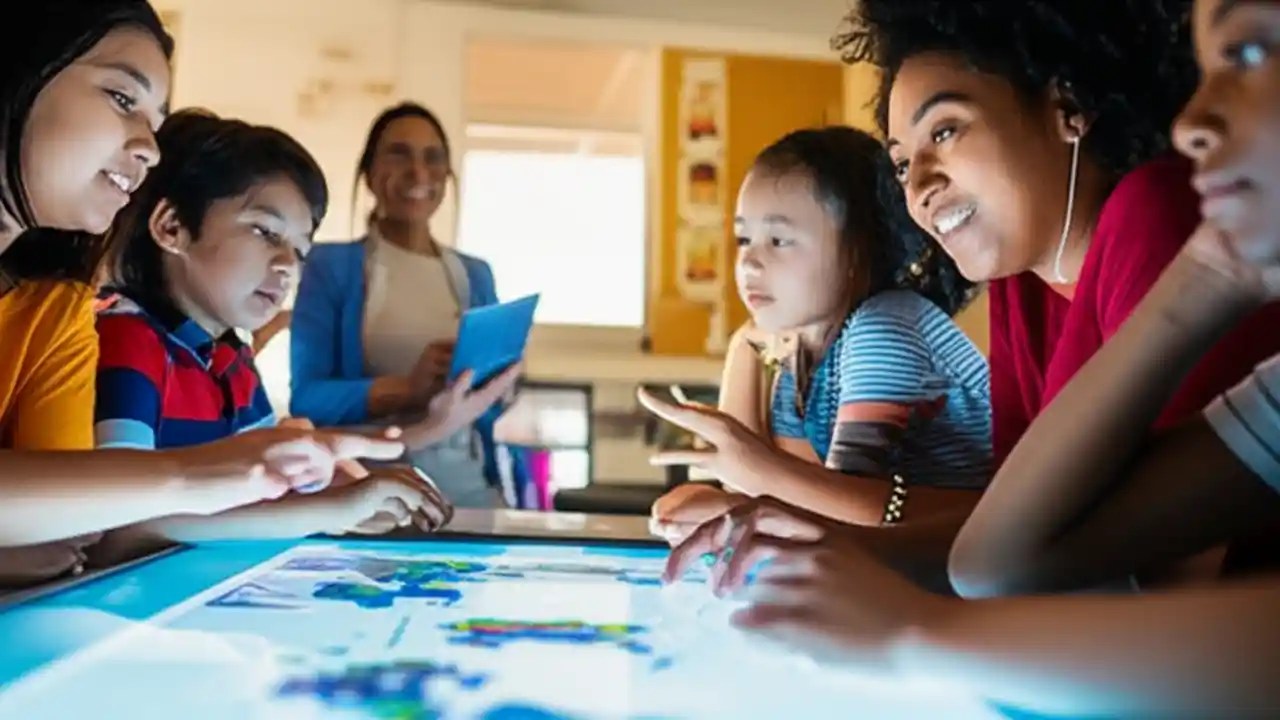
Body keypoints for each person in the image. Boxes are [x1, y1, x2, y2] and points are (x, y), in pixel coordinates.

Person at [663, 3, 1280, 714]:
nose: (919, 185)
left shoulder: (1154, 211)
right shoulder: (1022, 284)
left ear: (1069, 107)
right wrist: (841, 545)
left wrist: (912, 622)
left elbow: (1149, 571)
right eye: (902, 164)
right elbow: (1004, 537)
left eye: (946, 130)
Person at [0, 0, 403, 555]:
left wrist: (279, 474)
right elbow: (105, 528)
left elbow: (65, 535)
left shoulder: (58, 314)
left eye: (155, 124)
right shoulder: (122, 334)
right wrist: (227, 478)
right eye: (122, 98)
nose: (149, 149)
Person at [78, 110, 452, 569]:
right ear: (172, 226)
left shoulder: (231, 357)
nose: (287, 266)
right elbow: (119, 522)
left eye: (300, 251)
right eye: (265, 232)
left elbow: (258, 493)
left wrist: (330, 486)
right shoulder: (125, 338)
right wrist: (328, 510)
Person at [645, 127, 989, 539]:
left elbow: (852, 515)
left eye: (779, 240)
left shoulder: (884, 328)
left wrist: (739, 498)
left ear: (856, 249)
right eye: (744, 239)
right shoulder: (801, 356)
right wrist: (745, 346)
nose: (749, 263)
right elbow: (796, 496)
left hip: (992, 557)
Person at [291, 102, 521, 509]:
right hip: (368, 492)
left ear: (447, 176)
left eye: (433, 157)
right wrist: (406, 390)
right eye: (399, 154)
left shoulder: (476, 275)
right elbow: (307, 399)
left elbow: (487, 411)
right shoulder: (331, 267)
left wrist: (500, 381)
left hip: (468, 489)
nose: (418, 172)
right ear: (369, 174)